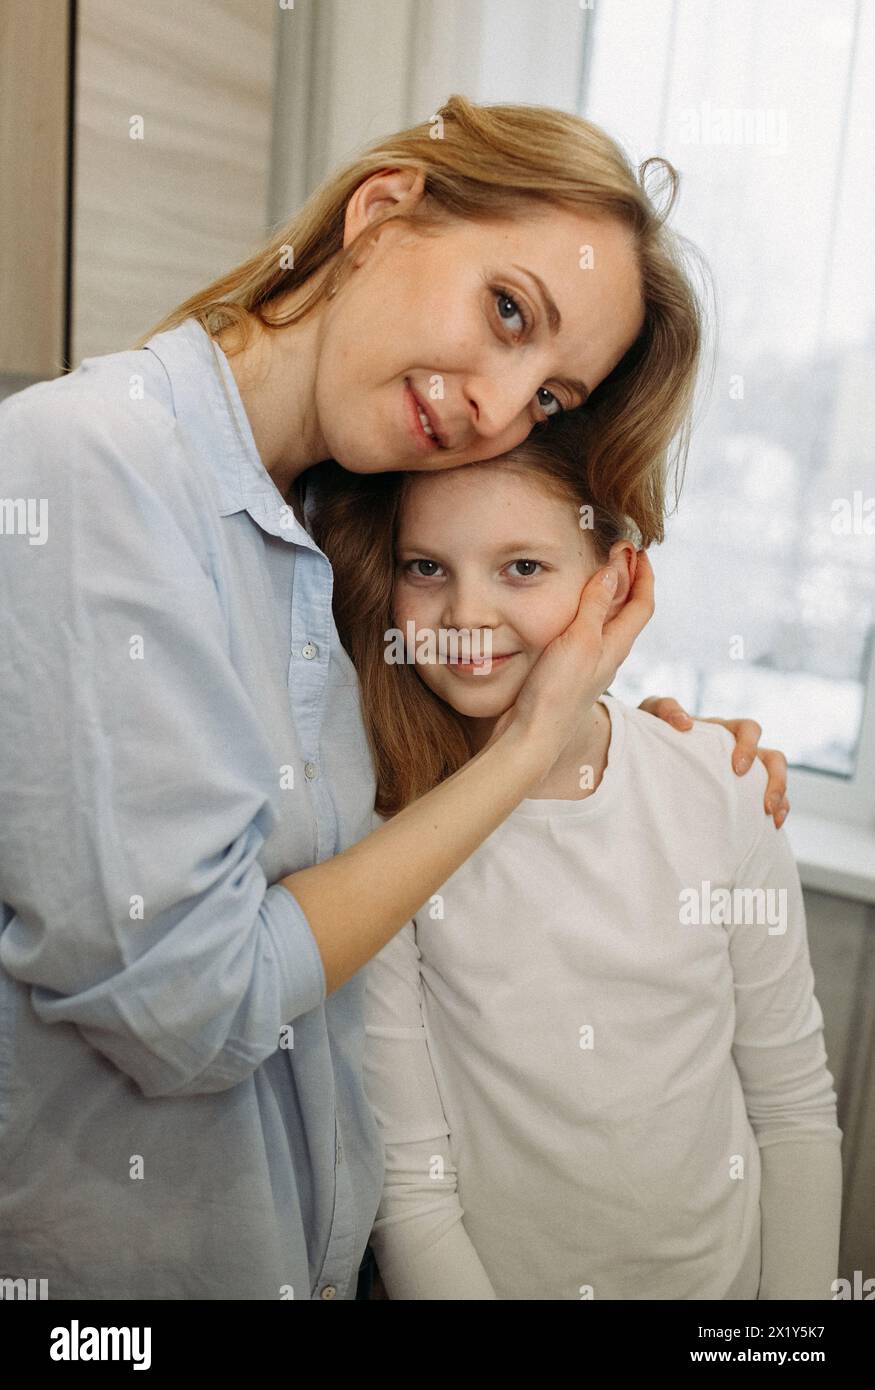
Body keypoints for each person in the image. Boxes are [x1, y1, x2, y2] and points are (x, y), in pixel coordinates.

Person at [0, 97, 789, 1300]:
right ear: (382, 211)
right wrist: (527, 748)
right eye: (507, 309)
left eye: (552, 397)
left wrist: (651, 756)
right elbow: (192, 1007)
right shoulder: (86, 466)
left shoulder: (333, 521)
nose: (499, 399)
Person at [311, 419, 840, 1300]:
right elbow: (412, 1188)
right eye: (426, 567)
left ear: (614, 580)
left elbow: (790, 1110)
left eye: (522, 567)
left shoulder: (722, 788)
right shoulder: (385, 840)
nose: (466, 616)